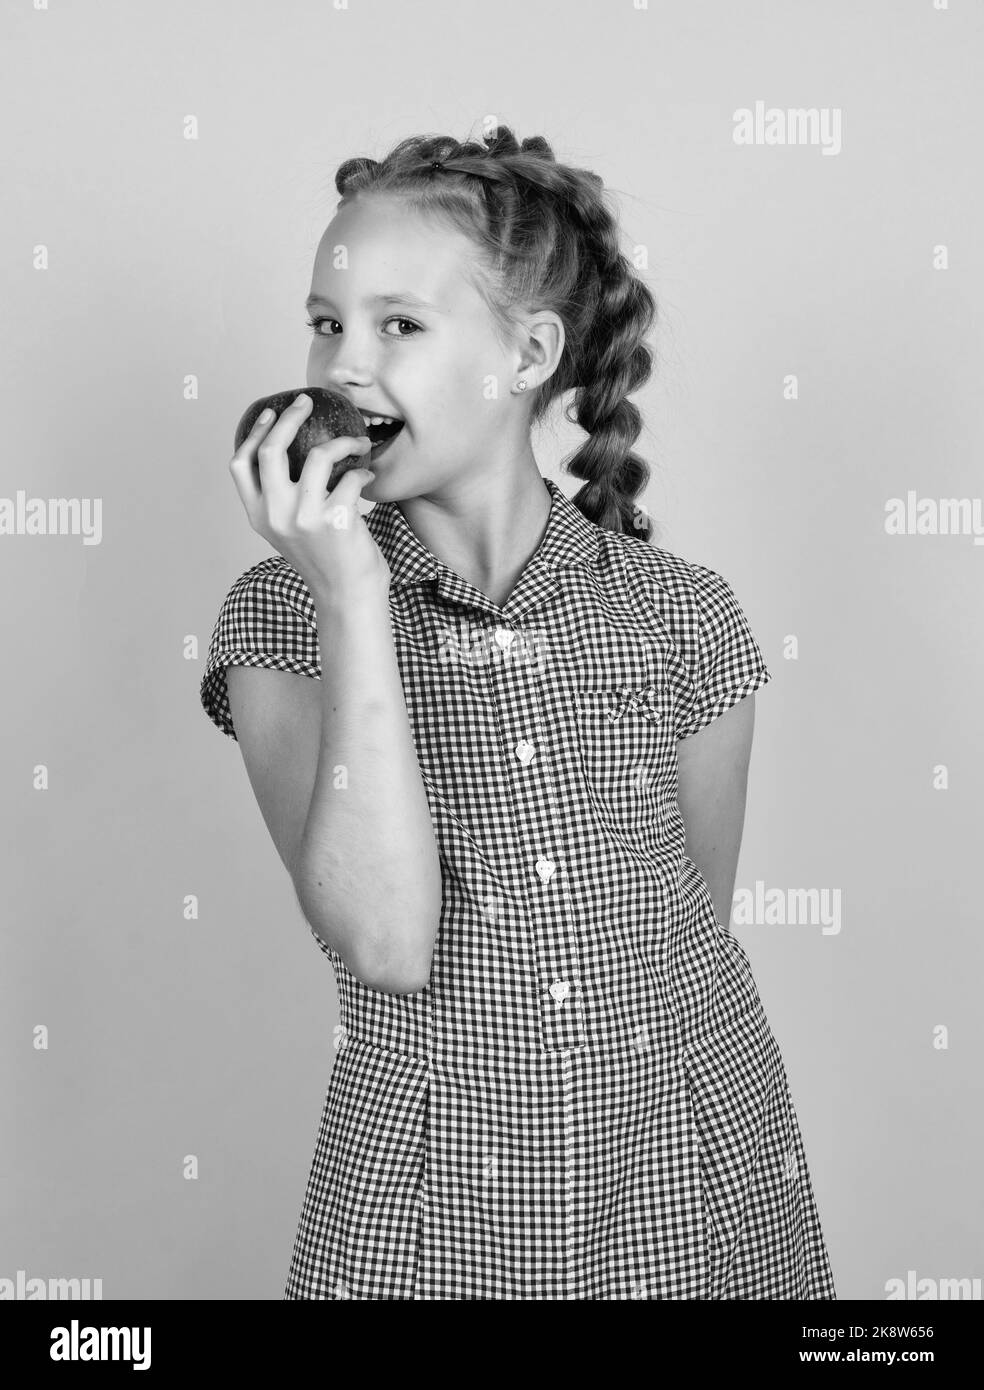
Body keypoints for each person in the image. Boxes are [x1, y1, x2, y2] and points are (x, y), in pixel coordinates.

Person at [199, 125, 836, 1300]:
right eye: (327, 321)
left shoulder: (684, 615)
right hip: (434, 1193)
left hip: (687, 1170)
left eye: (400, 324)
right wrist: (352, 591)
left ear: (528, 350)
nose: (341, 365)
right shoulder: (283, 619)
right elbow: (386, 946)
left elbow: (691, 931)